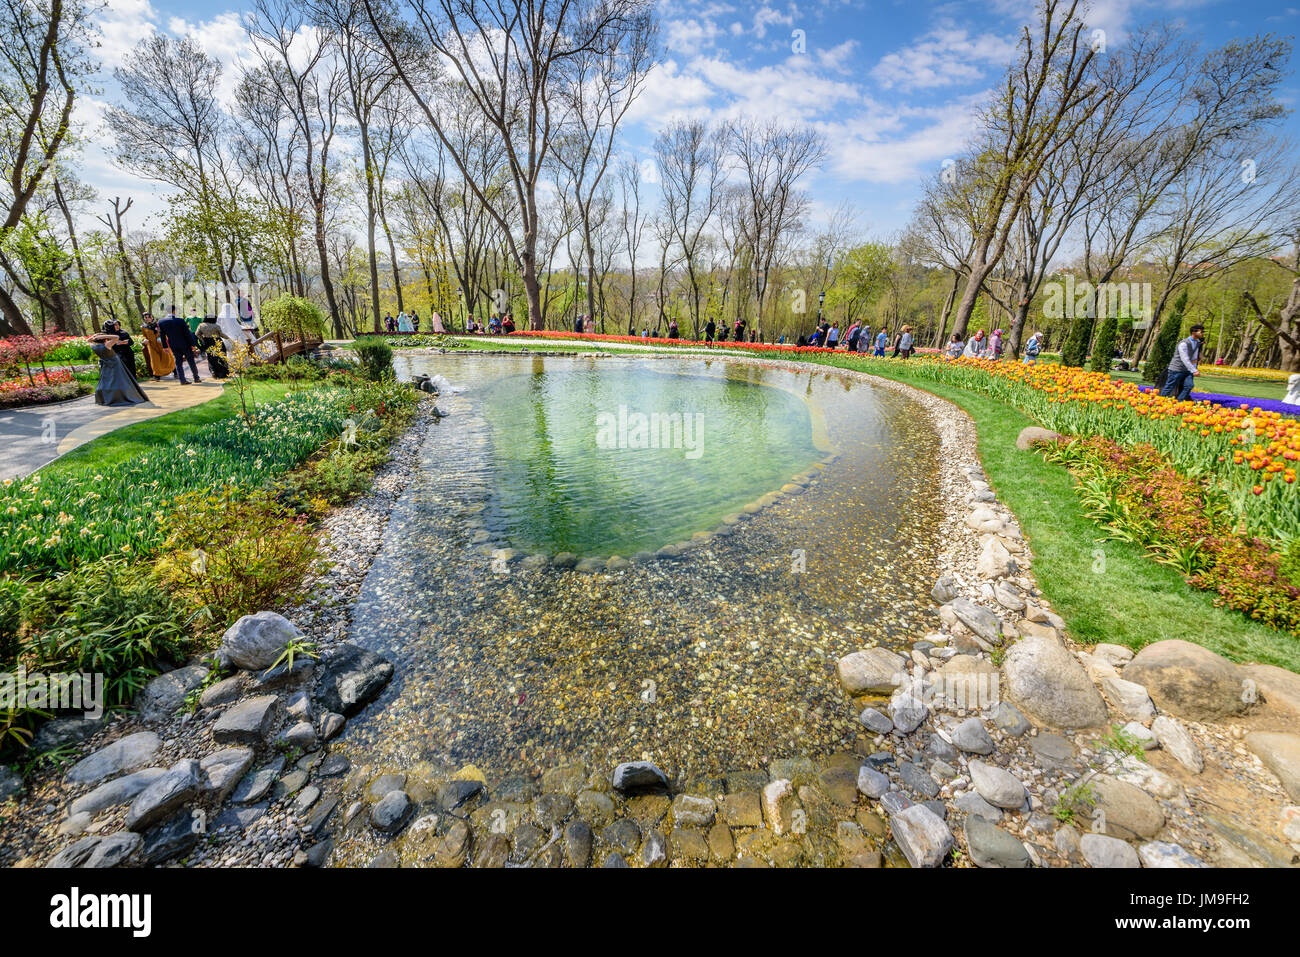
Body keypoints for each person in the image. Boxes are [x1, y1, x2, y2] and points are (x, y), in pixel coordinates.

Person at [87, 333, 148, 406]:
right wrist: (103, 336)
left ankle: (107, 397)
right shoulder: (107, 345)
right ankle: (120, 396)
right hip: (114, 363)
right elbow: (116, 337)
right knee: (119, 379)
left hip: (106, 364)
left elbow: (88, 341)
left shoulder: (94, 347)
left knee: (107, 380)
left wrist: (94, 337)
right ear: (105, 339)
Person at [1160, 323, 1205, 401]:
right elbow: (1185, 358)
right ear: (1193, 333)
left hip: (1187, 370)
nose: (1202, 333)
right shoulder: (1183, 343)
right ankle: (1160, 402)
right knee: (1170, 386)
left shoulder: (1197, 343)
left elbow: (1194, 357)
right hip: (1176, 369)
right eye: (1200, 332)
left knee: (1189, 386)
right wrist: (1194, 370)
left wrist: (1195, 366)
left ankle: (1180, 402)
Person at [158, 309, 201, 384]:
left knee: (178, 362)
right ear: (174, 311)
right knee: (191, 361)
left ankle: (182, 380)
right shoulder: (180, 320)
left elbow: (162, 336)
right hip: (185, 344)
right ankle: (196, 378)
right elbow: (187, 333)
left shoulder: (161, 322)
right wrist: (192, 344)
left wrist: (165, 347)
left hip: (174, 345)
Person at [140, 313, 174, 381]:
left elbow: (164, 332)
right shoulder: (143, 327)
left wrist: (161, 338)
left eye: (149, 317)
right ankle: (156, 375)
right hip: (151, 345)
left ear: (152, 317)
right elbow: (144, 335)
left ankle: (174, 370)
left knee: (167, 357)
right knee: (155, 360)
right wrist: (144, 339)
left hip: (161, 343)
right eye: (146, 317)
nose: (147, 318)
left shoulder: (158, 324)